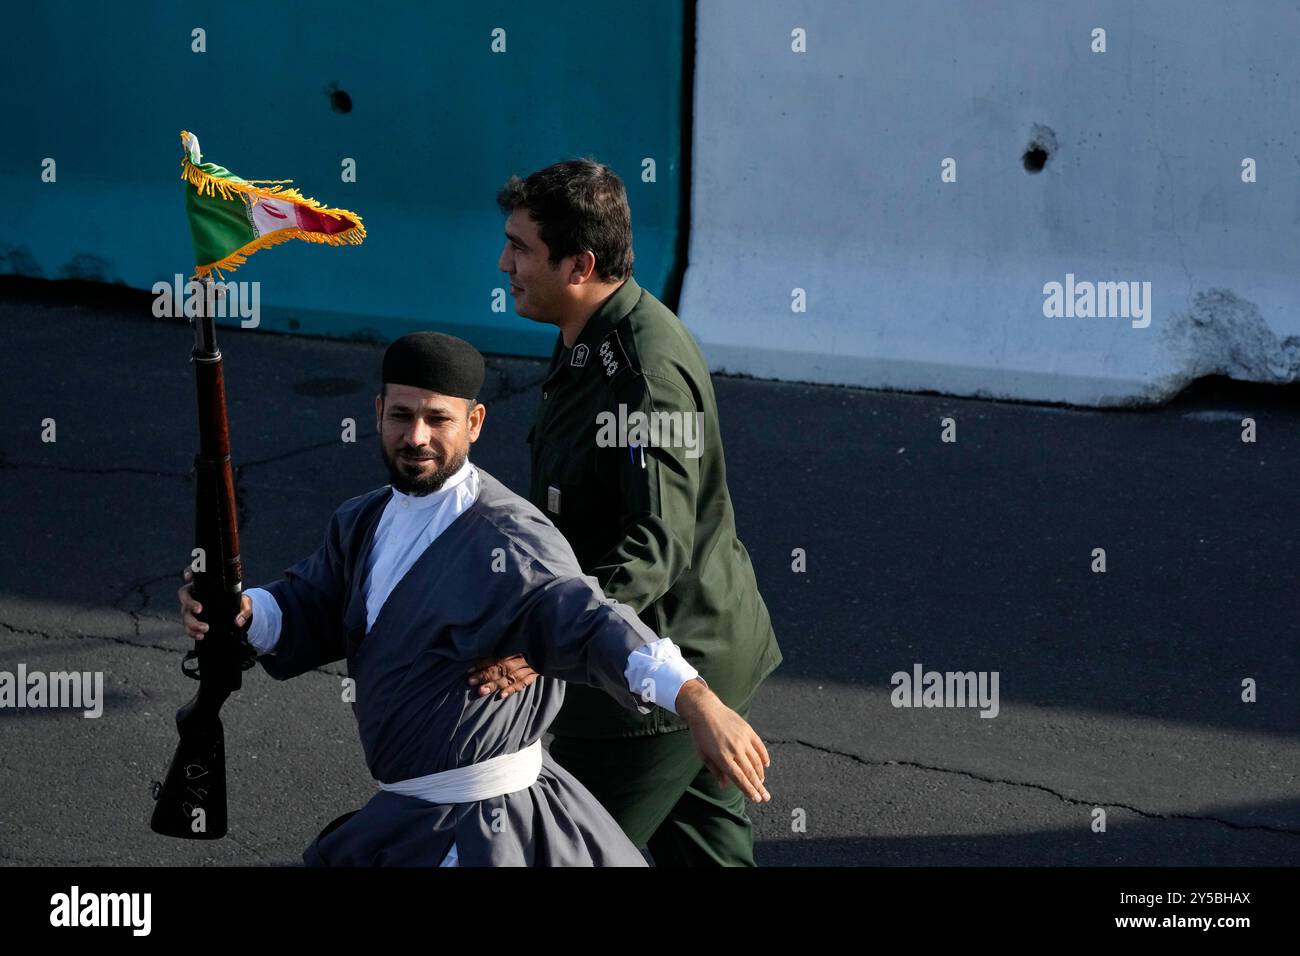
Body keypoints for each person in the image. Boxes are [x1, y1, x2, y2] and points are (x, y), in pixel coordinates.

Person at [177, 331, 770, 867]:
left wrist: (695, 701)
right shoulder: (360, 521)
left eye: (438, 419)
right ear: (377, 413)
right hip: (408, 817)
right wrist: (245, 611)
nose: (416, 437)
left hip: (485, 832)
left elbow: (592, 621)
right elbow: (313, 601)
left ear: (475, 422)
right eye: (402, 415)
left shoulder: (509, 536)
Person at [473, 160, 782, 866]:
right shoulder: (592, 336)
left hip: (658, 671)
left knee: (560, 851)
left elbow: (656, 544)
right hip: (672, 670)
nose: (504, 263)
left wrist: (550, 638)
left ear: (580, 263)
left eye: (520, 248)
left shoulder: (643, 375)